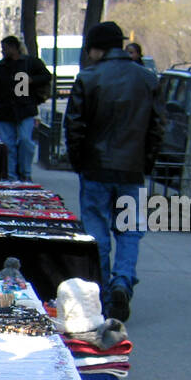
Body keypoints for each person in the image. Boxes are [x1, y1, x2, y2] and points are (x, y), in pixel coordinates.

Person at [65, 20, 164, 322]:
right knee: (130, 230)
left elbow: (74, 127)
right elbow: (158, 128)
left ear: (97, 48)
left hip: (95, 168)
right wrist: (145, 163)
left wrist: (79, 162)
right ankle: (122, 282)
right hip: (131, 170)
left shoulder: (89, 78)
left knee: (97, 229)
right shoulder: (147, 79)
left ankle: (105, 292)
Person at [0, 35, 52, 181]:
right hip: (6, 110)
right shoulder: (0, 68)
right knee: (8, 145)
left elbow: (46, 76)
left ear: (13, 48)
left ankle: (25, 172)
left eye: (5, 48)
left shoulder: (29, 63)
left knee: (25, 141)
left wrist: (32, 80)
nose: (3, 51)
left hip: (25, 109)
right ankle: (11, 175)